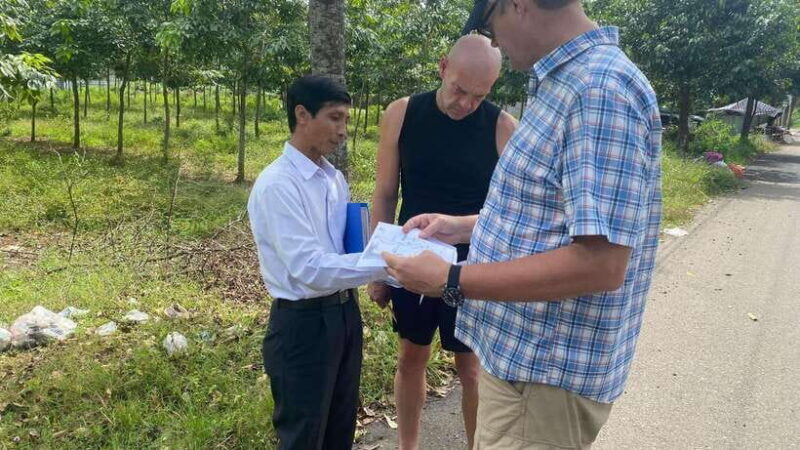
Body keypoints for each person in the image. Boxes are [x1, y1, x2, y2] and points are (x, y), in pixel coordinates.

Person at [382, 0, 663, 448]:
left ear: (518, 5)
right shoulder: (566, 84)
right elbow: (547, 216)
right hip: (522, 372)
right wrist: (462, 227)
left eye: (493, 27)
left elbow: (600, 264)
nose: (497, 43)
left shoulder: (598, 90)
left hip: (542, 379)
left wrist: (452, 278)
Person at [367, 34, 517, 450]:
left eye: (479, 95)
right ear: (442, 67)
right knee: (411, 356)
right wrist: (378, 265)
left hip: (472, 265)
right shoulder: (402, 113)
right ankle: (407, 446)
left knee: (470, 366)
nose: (466, 104)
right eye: (459, 90)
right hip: (411, 256)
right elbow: (384, 192)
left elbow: (516, 210)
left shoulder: (502, 127)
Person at [248, 75, 386, 450]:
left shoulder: (333, 179)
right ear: (302, 114)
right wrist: (384, 264)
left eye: (346, 120)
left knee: (339, 428)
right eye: (335, 118)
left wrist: (382, 250)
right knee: (304, 435)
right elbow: (308, 270)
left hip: (343, 316)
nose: (343, 131)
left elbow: (342, 249)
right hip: (303, 326)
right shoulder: (278, 185)